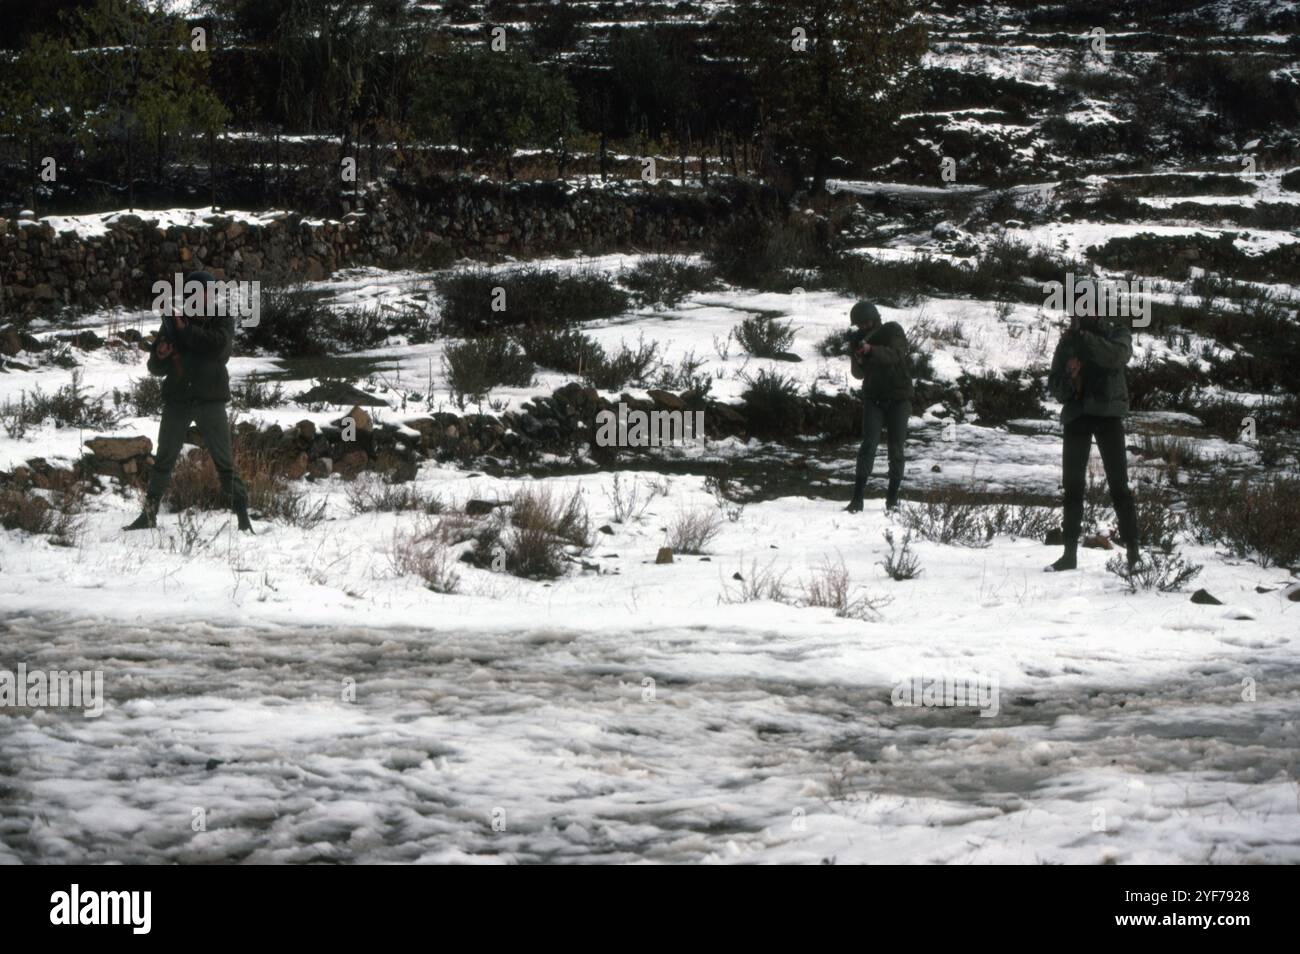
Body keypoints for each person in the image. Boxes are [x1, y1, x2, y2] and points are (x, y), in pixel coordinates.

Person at [123, 271, 253, 533]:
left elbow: (220, 348)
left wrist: (186, 331)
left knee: (224, 463)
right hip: (178, 400)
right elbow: (156, 368)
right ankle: (148, 515)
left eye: (208, 291)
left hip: (211, 400)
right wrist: (161, 354)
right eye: (202, 290)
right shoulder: (173, 321)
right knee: (164, 460)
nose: (207, 295)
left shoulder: (222, 319)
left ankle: (242, 516)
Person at [1046, 311, 1139, 571]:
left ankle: (1134, 553)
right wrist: (1069, 377)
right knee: (1073, 487)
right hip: (1078, 414)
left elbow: (1116, 357)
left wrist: (1086, 337)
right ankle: (1069, 555)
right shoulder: (1068, 341)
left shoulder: (1116, 332)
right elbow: (1054, 385)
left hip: (1108, 415)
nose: (1084, 314)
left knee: (1120, 486)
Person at [845, 300, 912, 513]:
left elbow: (895, 355)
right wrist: (860, 358)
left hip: (899, 399)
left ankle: (892, 500)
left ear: (874, 318)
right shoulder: (857, 339)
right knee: (868, 446)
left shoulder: (893, 330)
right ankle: (857, 499)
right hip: (874, 398)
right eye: (860, 324)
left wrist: (871, 350)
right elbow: (858, 374)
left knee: (896, 450)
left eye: (866, 322)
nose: (863, 327)